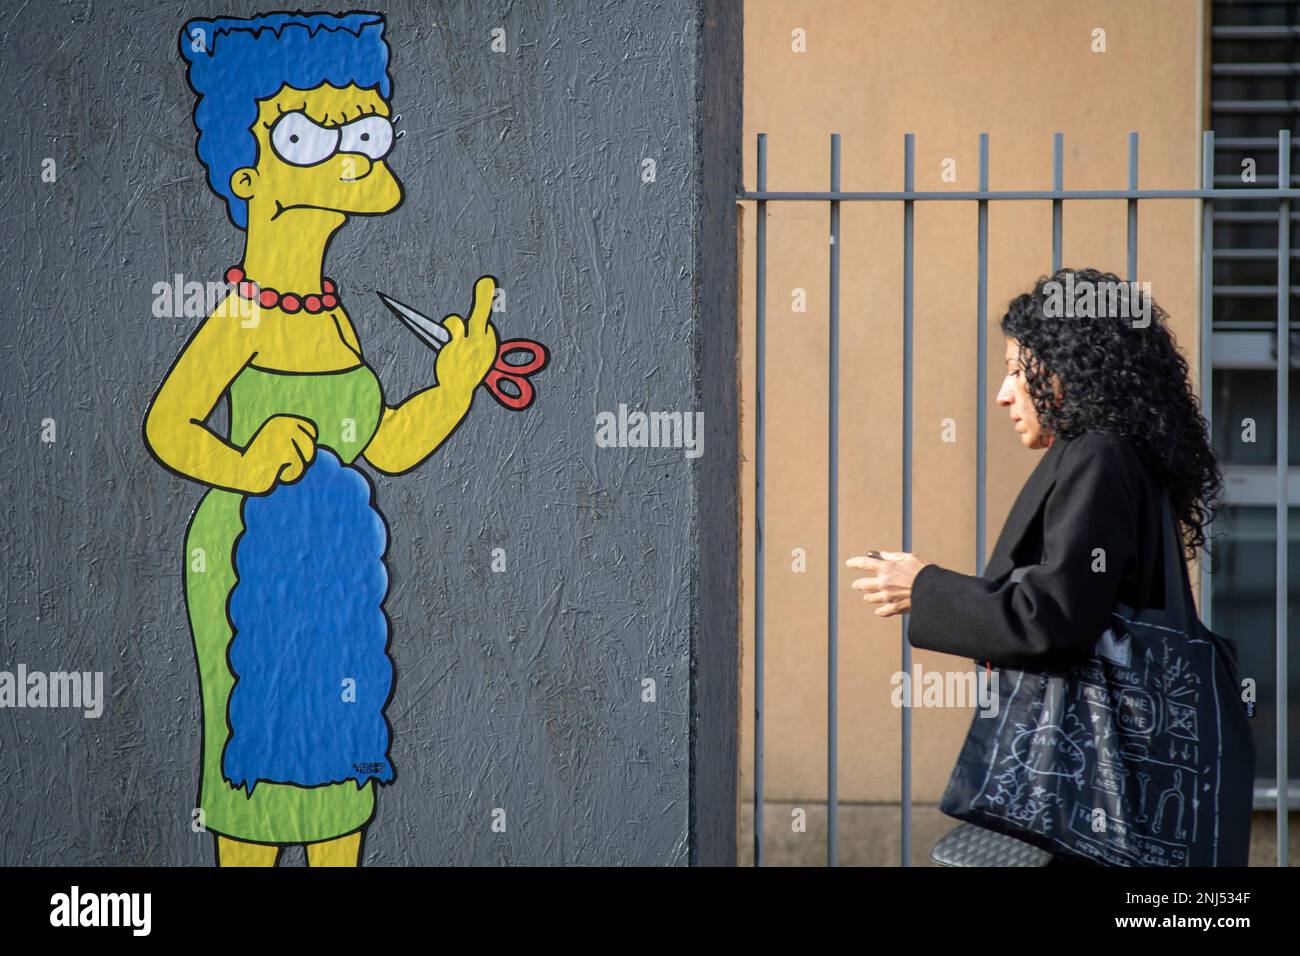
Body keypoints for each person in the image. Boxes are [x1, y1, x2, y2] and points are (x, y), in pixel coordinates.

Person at [143, 12, 499, 866]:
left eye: (365, 126)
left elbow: (385, 444)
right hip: (249, 562)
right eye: (307, 136)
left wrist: (454, 386)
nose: (353, 152)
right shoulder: (246, 310)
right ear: (249, 173)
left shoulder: (333, 314)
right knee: (262, 769)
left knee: (340, 771)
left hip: (336, 559)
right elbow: (167, 425)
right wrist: (246, 466)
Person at [846, 267, 1225, 867]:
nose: (1003, 393)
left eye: (1016, 370)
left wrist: (925, 586)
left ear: (1064, 371)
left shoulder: (1098, 457)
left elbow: (1055, 617)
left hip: (1088, 784)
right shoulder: (1122, 457)